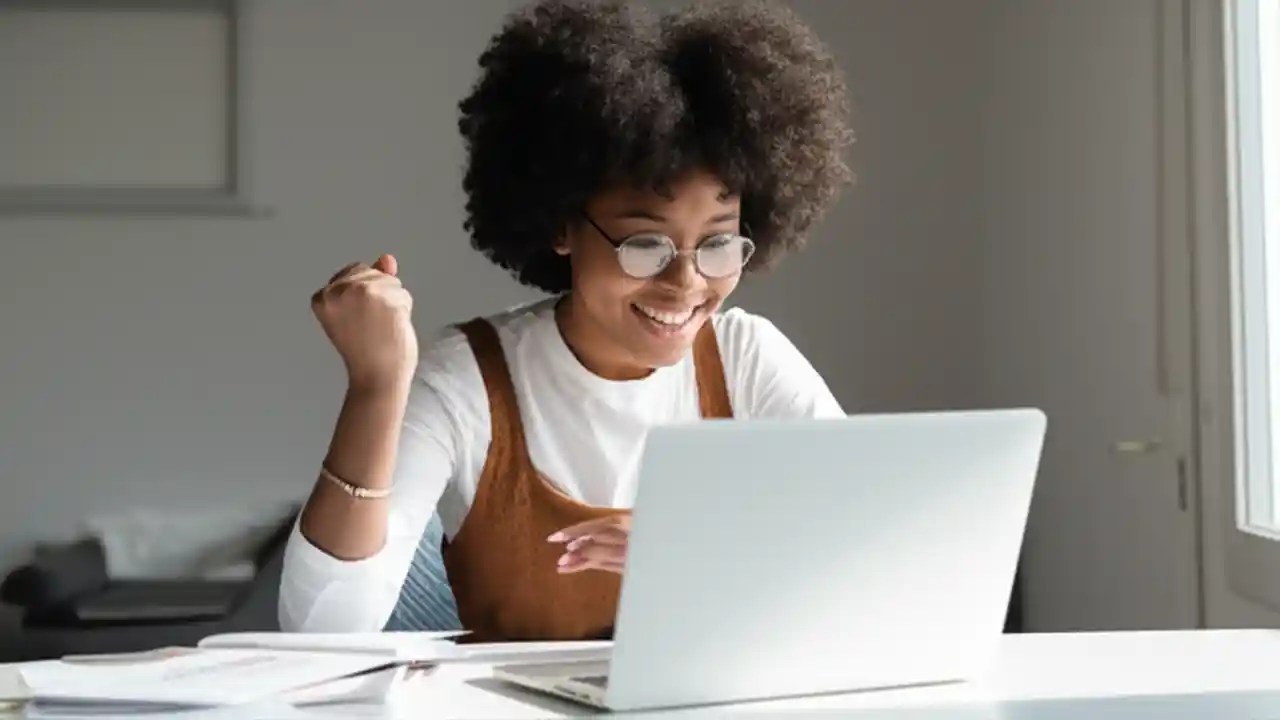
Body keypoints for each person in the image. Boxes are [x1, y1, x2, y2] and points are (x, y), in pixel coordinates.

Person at [279, 0, 854, 641]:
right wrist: (376, 385)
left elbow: (870, 557)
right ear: (560, 224)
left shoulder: (747, 361)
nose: (686, 282)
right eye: (645, 245)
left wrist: (695, 552)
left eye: (718, 243)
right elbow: (321, 631)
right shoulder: (466, 383)